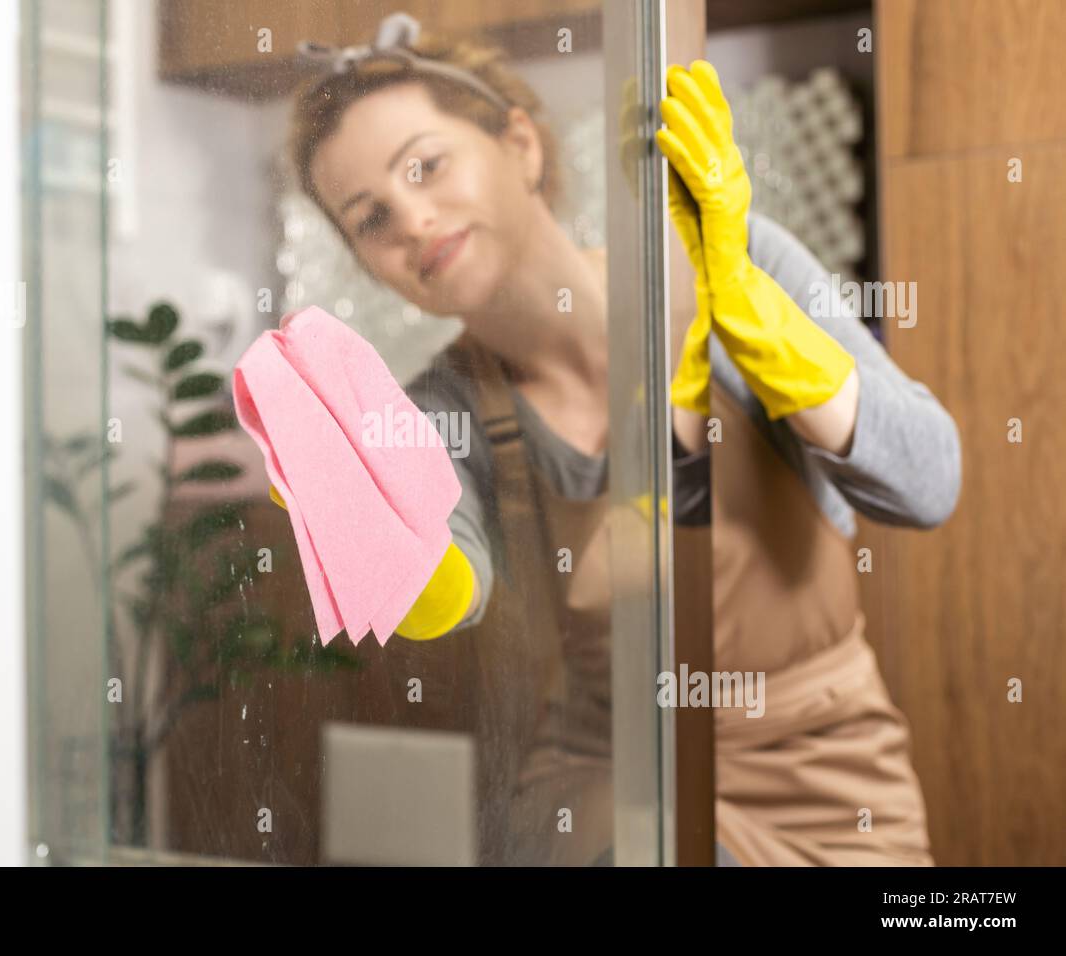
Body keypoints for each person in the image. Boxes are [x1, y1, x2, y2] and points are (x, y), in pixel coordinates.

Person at [283, 13, 961, 866]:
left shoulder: (724, 257)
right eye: (371, 217)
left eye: (427, 165)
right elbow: (456, 580)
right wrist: (391, 550)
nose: (413, 219)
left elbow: (931, 483)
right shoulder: (442, 403)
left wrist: (757, 323)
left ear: (520, 145)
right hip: (606, 776)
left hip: (824, 765)